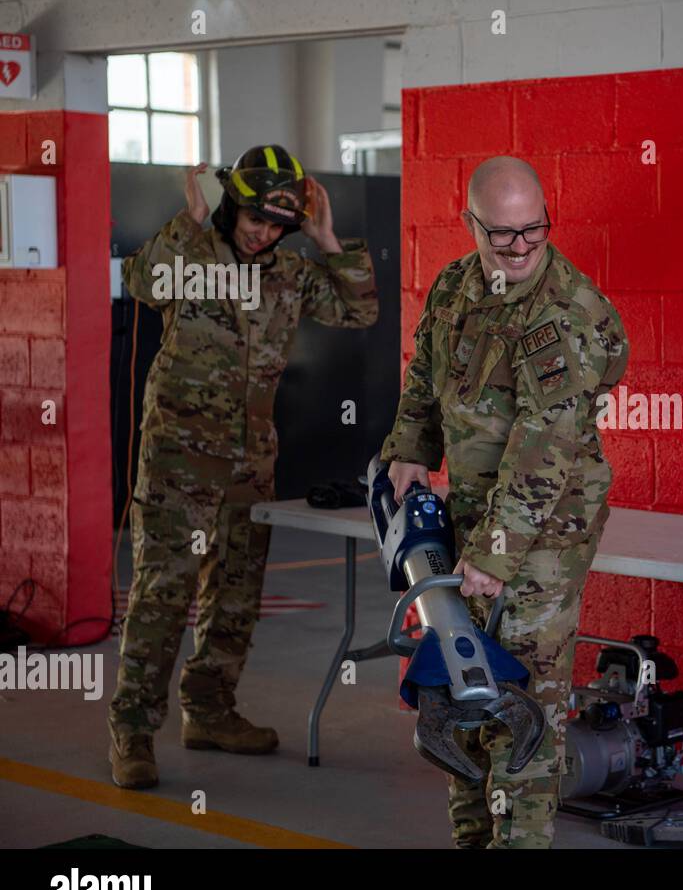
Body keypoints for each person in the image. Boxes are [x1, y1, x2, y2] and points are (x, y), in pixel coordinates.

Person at [108, 144, 379, 789]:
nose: (263, 234)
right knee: (161, 597)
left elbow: (360, 308)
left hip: (249, 463)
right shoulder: (192, 255)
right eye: (255, 219)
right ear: (232, 203)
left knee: (235, 597)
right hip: (178, 459)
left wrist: (327, 237)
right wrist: (190, 217)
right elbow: (140, 283)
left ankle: (209, 710)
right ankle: (132, 731)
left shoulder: (289, 271)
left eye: (277, 226)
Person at [381, 156, 628, 849]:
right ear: (470, 225)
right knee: (462, 688)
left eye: (535, 231)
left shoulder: (563, 315)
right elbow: (426, 371)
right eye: (503, 234)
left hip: (542, 531)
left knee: (523, 703)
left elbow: (543, 445)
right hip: (470, 514)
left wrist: (494, 552)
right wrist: (409, 447)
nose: (520, 248)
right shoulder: (458, 285)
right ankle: (472, 840)